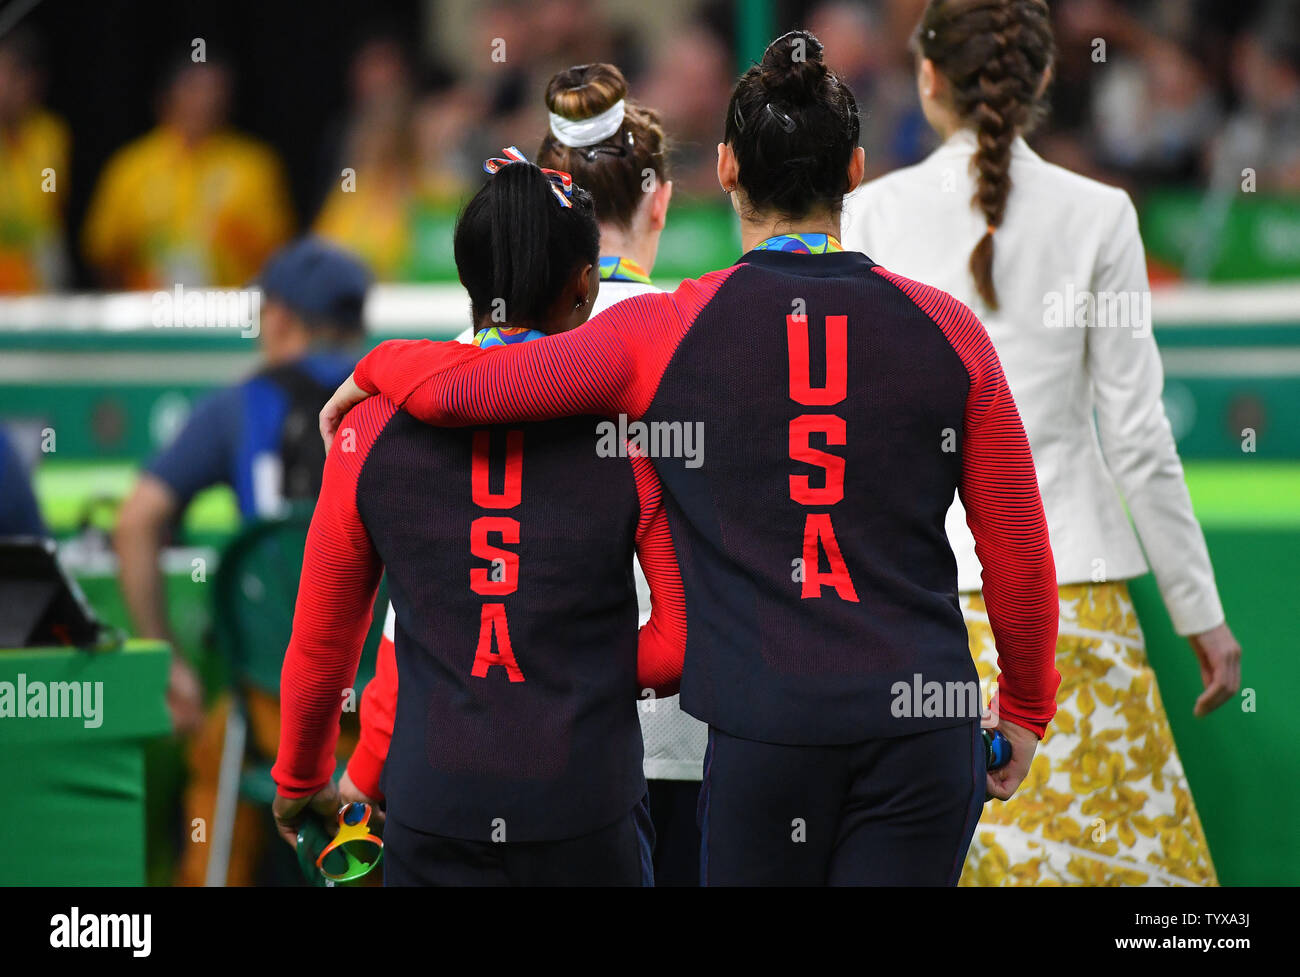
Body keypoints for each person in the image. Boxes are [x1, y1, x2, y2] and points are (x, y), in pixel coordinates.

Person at [318, 32, 1061, 886]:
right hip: (921, 732)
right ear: (855, 170)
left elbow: (474, 391)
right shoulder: (950, 330)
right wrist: (1028, 707)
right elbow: (1017, 546)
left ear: (729, 170)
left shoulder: (662, 330)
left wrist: (375, 364)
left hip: (763, 737)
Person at [841, 0, 1238, 887]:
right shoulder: (1102, 216)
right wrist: (1199, 612)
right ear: (1040, 83)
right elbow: (1137, 436)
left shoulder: (867, 216)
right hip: (1075, 603)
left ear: (929, 79)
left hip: (918, 608)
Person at [272, 156, 687, 886]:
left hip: (436, 811)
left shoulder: (366, 433)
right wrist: (578, 674)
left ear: (469, 279)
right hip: (587, 813)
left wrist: (302, 774)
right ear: (586, 287)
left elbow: (322, 644)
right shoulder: (631, 437)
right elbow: (678, 639)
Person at [113, 237, 370, 884]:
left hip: (273, 710)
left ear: (278, 319)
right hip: (386, 719)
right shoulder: (400, 399)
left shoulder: (235, 406)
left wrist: (167, 658)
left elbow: (135, 519)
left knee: (219, 749)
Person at [82, 59, 293, 289]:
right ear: (166, 98)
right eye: (195, 90)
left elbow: (279, 252)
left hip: (231, 312)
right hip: (150, 313)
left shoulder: (255, 166)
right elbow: (103, 254)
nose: (206, 101)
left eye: (215, 92)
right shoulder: (131, 167)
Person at [0, 28, 69, 293]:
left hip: (36, 284)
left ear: (30, 81)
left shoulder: (50, 136)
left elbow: (46, 204)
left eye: (8, 74)